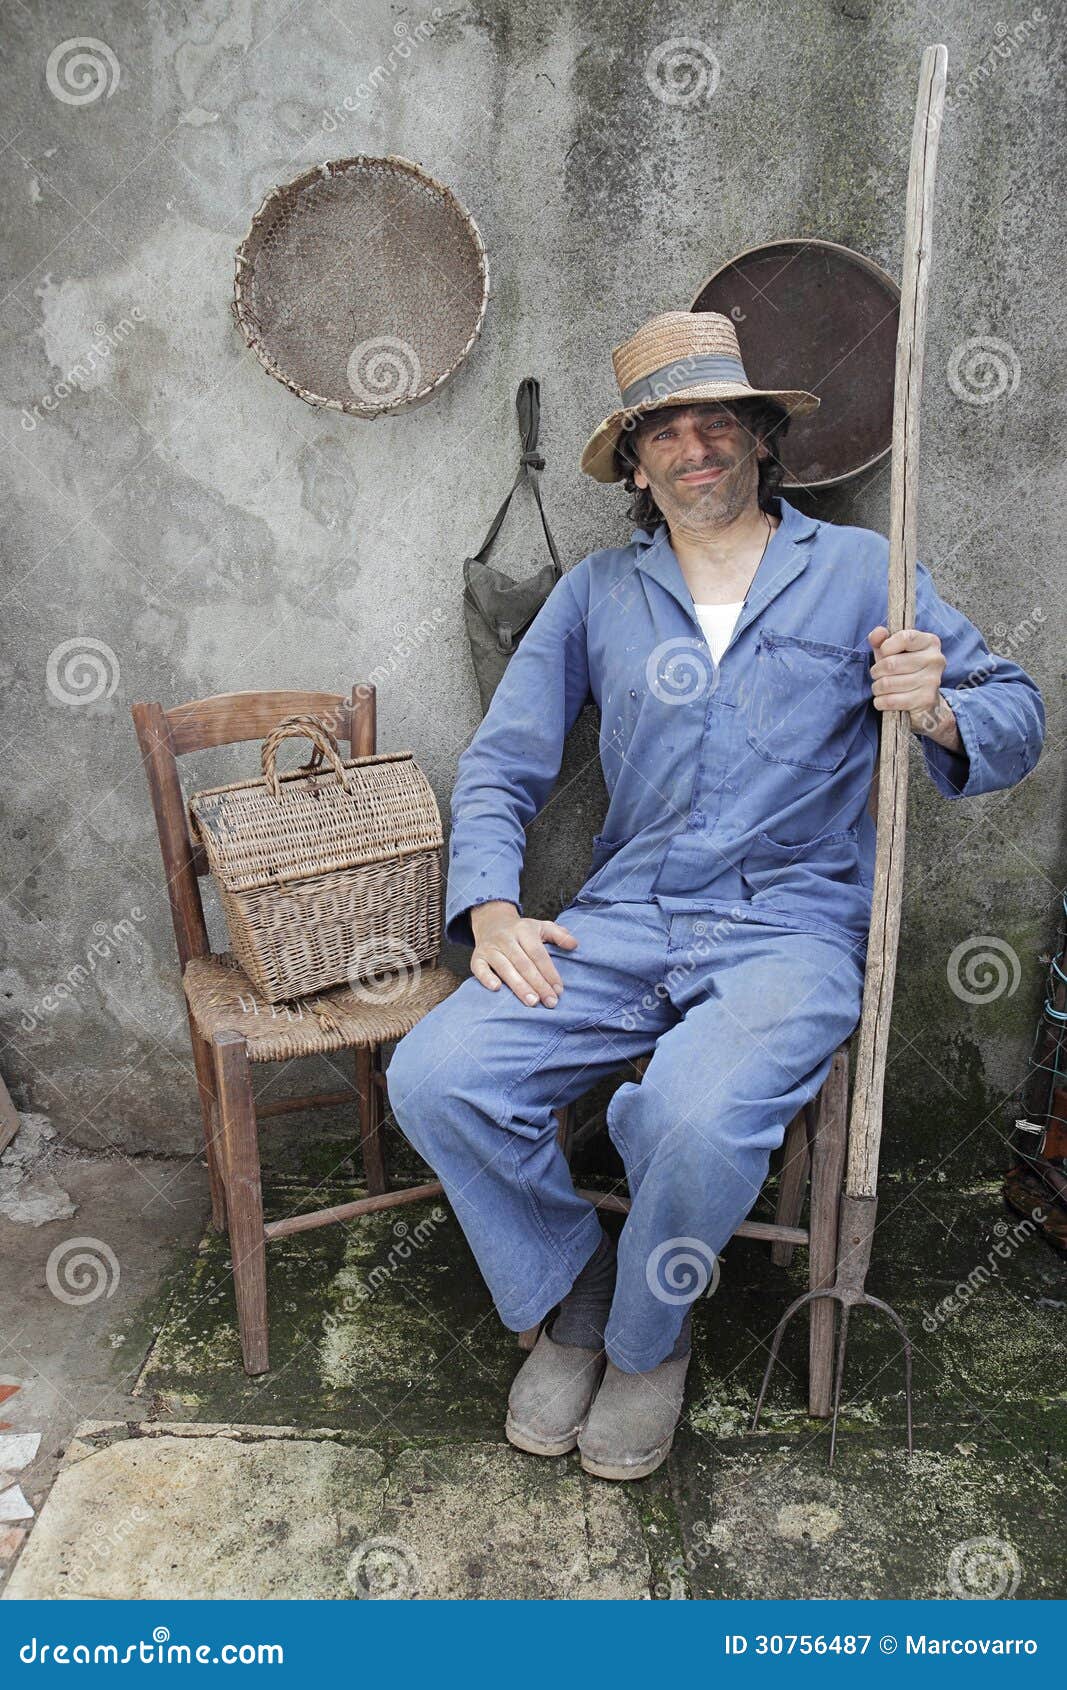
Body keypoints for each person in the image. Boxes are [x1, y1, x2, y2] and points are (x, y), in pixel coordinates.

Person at [386, 310, 1045, 1481]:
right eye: (665, 431)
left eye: (716, 423)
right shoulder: (596, 592)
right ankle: (576, 1286)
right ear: (634, 463)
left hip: (790, 927)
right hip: (629, 913)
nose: (695, 448)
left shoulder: (857, 572)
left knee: (690, 1118)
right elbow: (501, 761)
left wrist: (938, 702)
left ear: (755, 440)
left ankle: (646, 1339)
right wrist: (487, 905)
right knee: (436, 1075)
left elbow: (1016, 714)